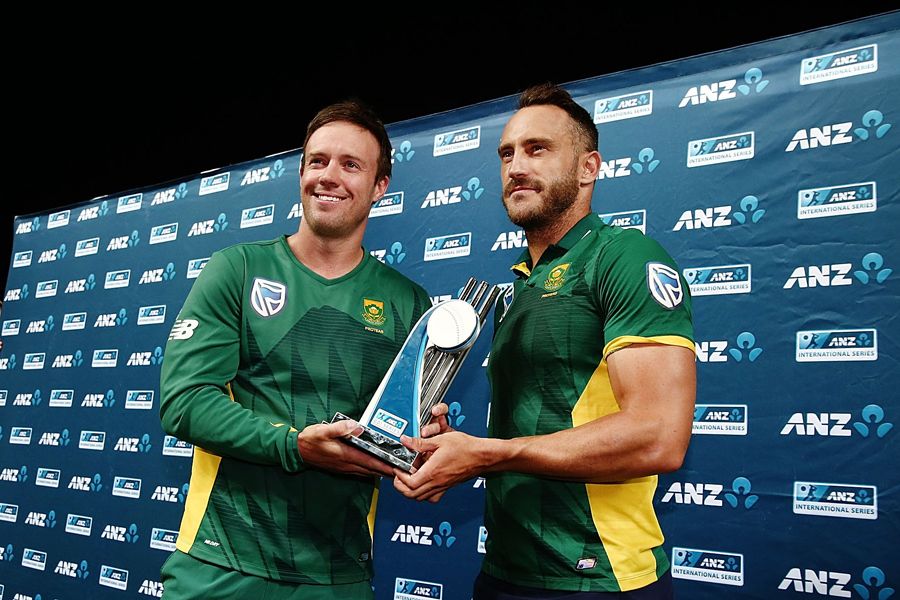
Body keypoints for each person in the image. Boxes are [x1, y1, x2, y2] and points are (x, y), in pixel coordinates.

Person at [394, 83, 696, 599]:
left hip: (598, 576)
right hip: (504, 572)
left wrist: (488, 454)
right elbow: (542, 425)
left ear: (588, 168)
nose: (515, 166)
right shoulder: (518, 285)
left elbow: (659, 434)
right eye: (507, 153)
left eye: (538, 149)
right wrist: (452, 447)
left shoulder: (623, 256)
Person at [159, 100, 431, 600]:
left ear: (380, 186)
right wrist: (294, 444)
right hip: (221, 566)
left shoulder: (408, 302)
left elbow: (401, 428)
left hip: (338, 574)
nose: (329, 176)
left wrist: (423, 441)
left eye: (351, 165)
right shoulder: (236, 269)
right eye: (317, 161)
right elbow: (185, 402)